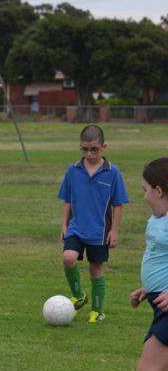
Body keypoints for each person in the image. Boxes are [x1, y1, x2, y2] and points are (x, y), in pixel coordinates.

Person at [81, 158, 168, 371]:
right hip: (159, 305)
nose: (142, 195)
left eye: (145, 189)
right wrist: (149, 287)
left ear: (159, 190)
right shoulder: (158, 218)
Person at [59, 125, 128, 323]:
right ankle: (79, 295)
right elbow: (67, 200)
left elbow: (118, 204)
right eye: (84, 149)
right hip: (76, 227)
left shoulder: (112, 172)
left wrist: (114, 230)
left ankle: (97, 310)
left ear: (104, 147)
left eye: (94, 149)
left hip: (99, 231)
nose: (89, 154)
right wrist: (64, 224)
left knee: (95, 268)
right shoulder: (73, 170)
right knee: (68, 258)